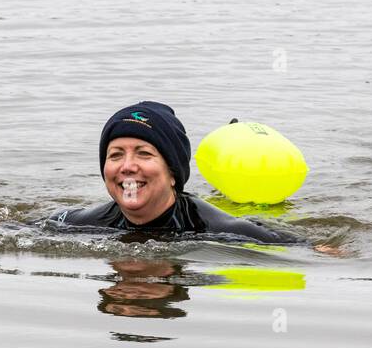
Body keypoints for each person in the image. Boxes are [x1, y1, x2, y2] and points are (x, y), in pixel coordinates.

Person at [44, 101, 339, 251]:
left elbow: (298, 246)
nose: (127, 166)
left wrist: (318, 249)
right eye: (116, 155)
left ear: (173, 173)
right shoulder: (75, 223)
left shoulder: (223, 228)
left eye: (144, 154)